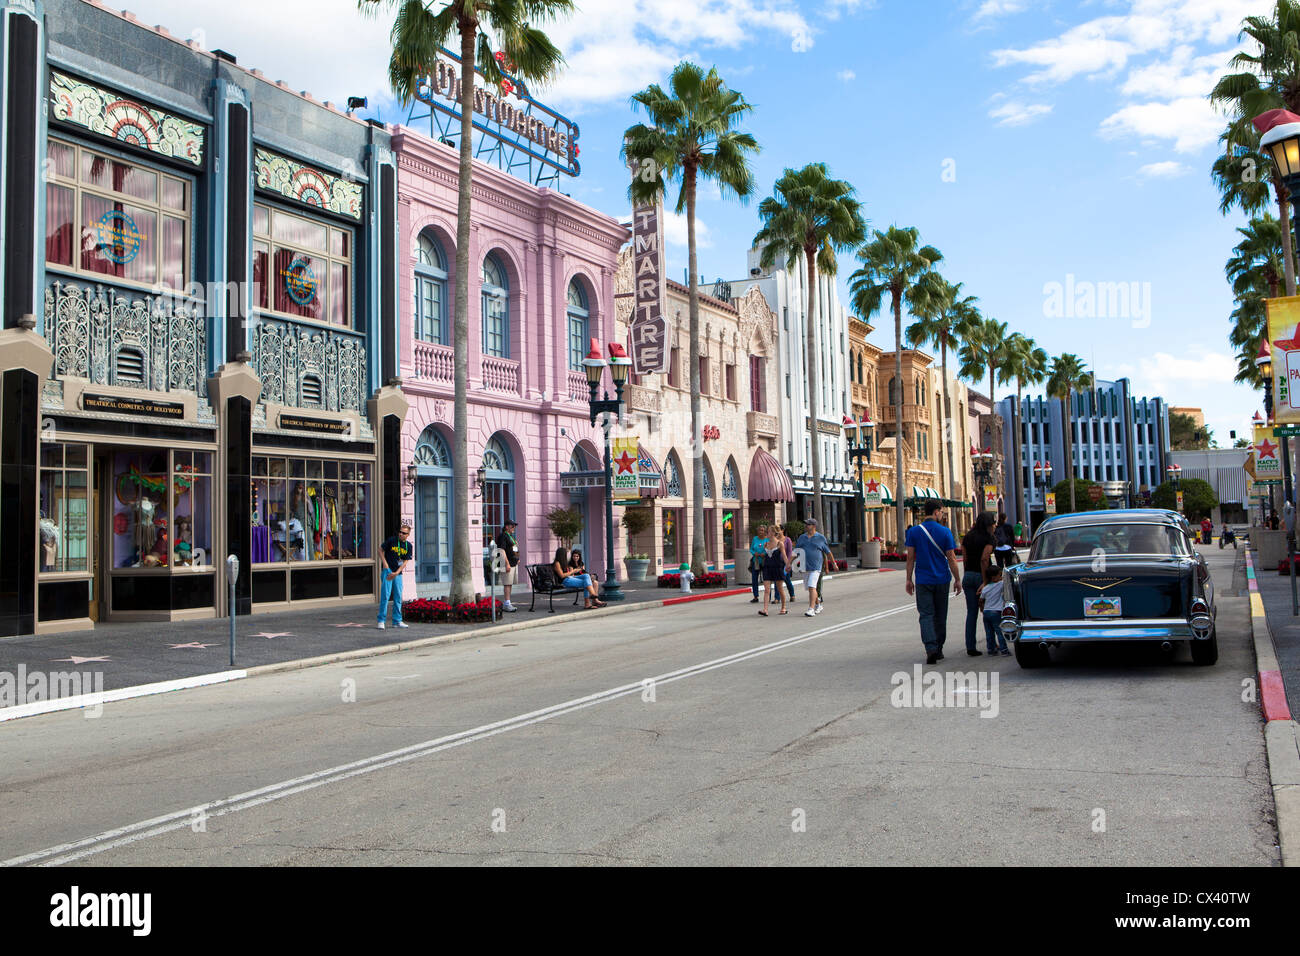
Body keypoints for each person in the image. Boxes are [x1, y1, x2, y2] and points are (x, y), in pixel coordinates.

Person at [905, 500, 963, 665]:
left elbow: (910, 558)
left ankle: (930, 647)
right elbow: (951, 558)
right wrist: (957, 579)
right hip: (942, 579)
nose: (942, 515)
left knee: (926, 615)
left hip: (923, 580)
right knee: (940, 615)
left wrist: (909, 579)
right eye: (942, 512)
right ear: (936, 512)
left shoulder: (914, 532)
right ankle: (938, 648)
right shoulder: (945, 532)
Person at [960, 512, 997, 657]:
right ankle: (992, 644)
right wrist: (985, 581)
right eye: (993, 523)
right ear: (988, 524)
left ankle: (970, 646)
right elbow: (984, 559)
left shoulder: (967, 537)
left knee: (972, 612)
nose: (994, 526)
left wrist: (967, 574)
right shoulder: (990, 539)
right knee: (990, 611)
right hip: (981, 577)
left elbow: (964, 558)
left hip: (968, 575)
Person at [795, 518, 836, 618]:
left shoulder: (820, 538)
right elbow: (796, 551)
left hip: (816, 567)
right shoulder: (802, 537)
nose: (806, 526)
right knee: (810, 589)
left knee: (812, 586)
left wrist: (834, 564)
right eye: (806, 524)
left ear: (814, 526)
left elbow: (828, 552)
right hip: (805, 567)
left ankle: (811, 609)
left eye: (808, 524)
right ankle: (818, 605)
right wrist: (788, 563)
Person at [377, 521, 414, 629]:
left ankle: (397, 620)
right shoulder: (392, 540)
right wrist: (385, 565)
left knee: (398, 597)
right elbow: (380, 550)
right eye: (400, 532)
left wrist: (397, 572)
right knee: (385, 596)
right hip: (388, 571)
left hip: (398, 573)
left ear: (408, 535)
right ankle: (381, 620)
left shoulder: (408, 546)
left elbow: (406, 560)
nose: (401, 534)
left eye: (404, 533)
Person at [978, 565, 1011, 655]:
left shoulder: (985, 588)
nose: (1001, 577)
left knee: (989, 633)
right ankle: (1004, 650)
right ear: (994, 577)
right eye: (1000, 575)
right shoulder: (1000, 584)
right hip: (996, 612)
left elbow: (980, 600)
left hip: (986, 612)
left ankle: (991, 649)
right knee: (999, 632)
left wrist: (982, 608)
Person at [760, 524, 791, 616]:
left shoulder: (779, 543)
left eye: (768, 531)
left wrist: (788, 565)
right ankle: (765, 609)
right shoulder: (766, 544)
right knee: (766, 590)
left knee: (780, 588)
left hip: (777, 567)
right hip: (767, 568)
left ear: (773, 533)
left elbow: (784, 556)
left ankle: (783, 607)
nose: (767, 533)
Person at [493, 518, 521, 612]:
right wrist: (507, 563)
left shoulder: (510, 536)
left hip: (513, 562)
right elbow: (502, 550)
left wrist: (517, 558)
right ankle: (506, 603)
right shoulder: (503, 536)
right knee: (507, 583)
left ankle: (508, 602)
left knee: (510, 583)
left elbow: (514, 548)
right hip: (507, 563)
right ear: (507, 527)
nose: (514, 528)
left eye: (514, 526)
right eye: (512, 526)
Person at [749, 523, 769, 603]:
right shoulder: (755, 539)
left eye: (762, 530)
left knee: (766, 579)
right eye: (759, 530)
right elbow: (751, 549)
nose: (760, 532)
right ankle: (755, 596)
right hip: (756, 561)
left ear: (765, 532)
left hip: (765, 561)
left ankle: (768, 596)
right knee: (754, 579)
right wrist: (754, 553)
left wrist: (765, 553)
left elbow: (770, 549)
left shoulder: (767, 539)